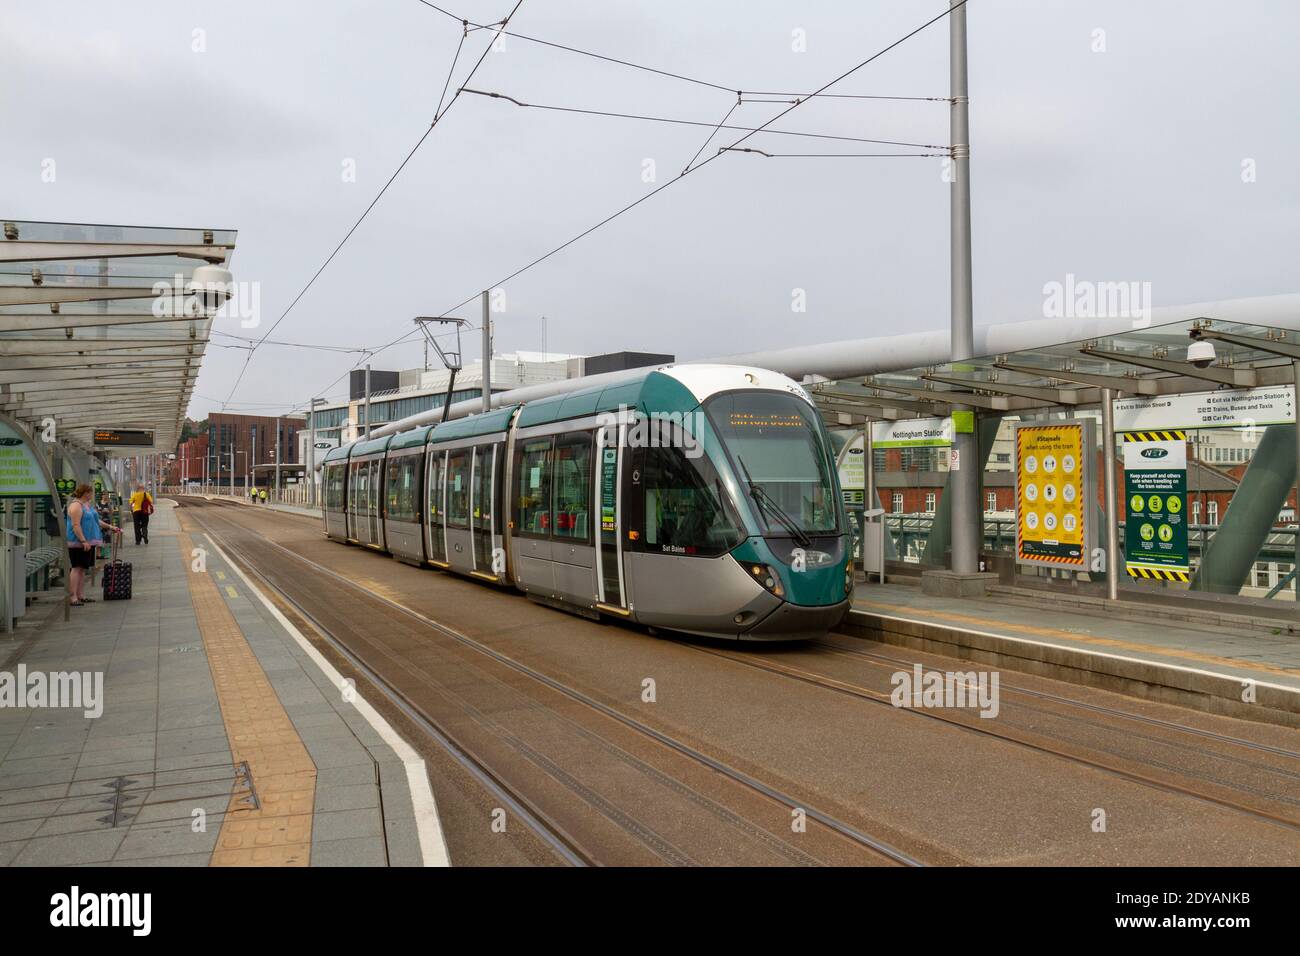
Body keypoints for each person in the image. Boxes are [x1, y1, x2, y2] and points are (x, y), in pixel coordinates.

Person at [66, 484, 122, 607]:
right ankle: (73, 596)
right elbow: (75, 525)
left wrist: (111, 527)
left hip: (88, 542)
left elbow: (97, 521)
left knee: (82, 569)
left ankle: (81, 595)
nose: (91, 495)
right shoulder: (76, 506)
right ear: (85, 493)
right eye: (90, 492)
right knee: (76, 568)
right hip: (78, 543)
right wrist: (83, 541)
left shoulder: (87, 505)